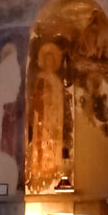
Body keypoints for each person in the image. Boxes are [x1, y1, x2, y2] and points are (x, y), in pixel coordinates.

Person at [30, 42, 64, 188]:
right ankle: (40, 174)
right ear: (43, 62)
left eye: (52, 60)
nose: (49, 62)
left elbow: (60, 100)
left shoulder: (57, 80)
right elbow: (37, 98)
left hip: (55, 118)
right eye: (47, 60)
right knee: (42, 145)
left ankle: (54, 172)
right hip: (44, 118)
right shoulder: (41, 77)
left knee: (54, 146)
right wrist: (45, 97)